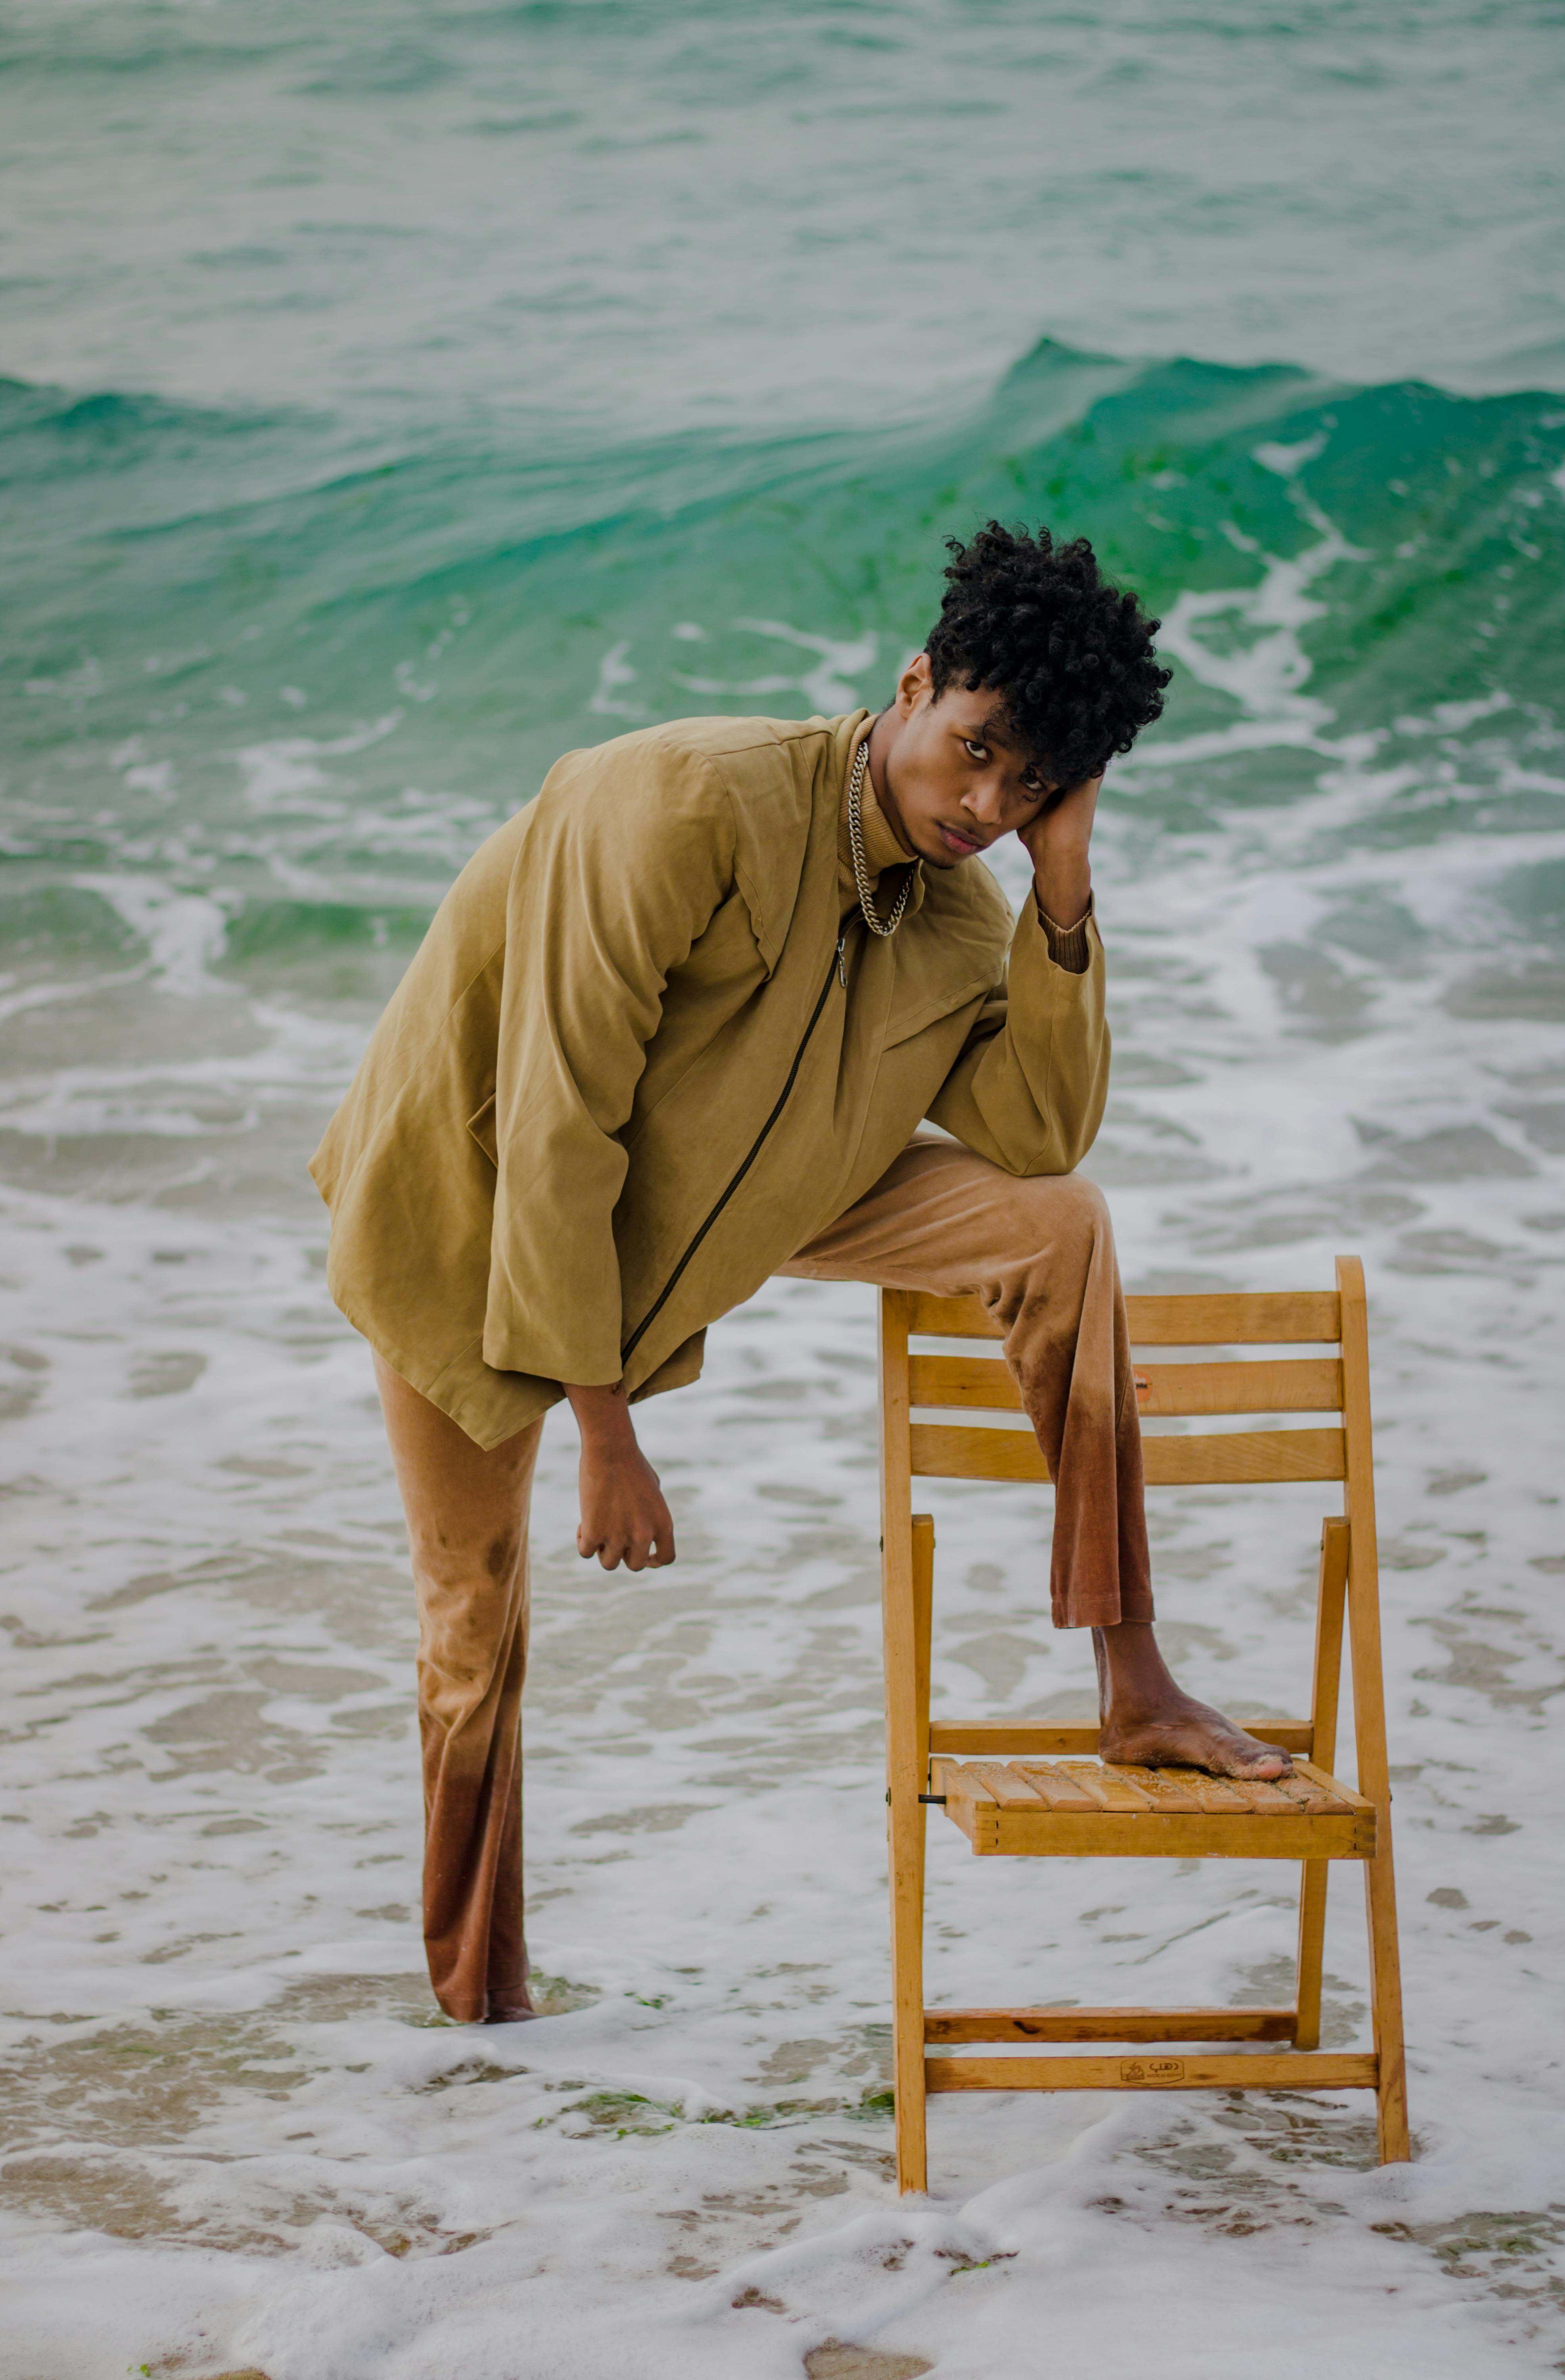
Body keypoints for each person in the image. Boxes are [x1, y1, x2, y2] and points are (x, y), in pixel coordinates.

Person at [310, 522, 1293, 2027]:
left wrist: (1064, 888)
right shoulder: (679, 802)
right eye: (974, 751)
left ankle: (1134, 1677)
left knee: (1063, 1220)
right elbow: (559, 1126)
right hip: (477, 1203)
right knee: (472, 1620)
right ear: (913, 685)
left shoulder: (964, 911)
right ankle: (481, 2017)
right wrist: (607, 1432)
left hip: (747, 1188)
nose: (984, 806)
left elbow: (1040, 1132)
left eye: (1031, 786)